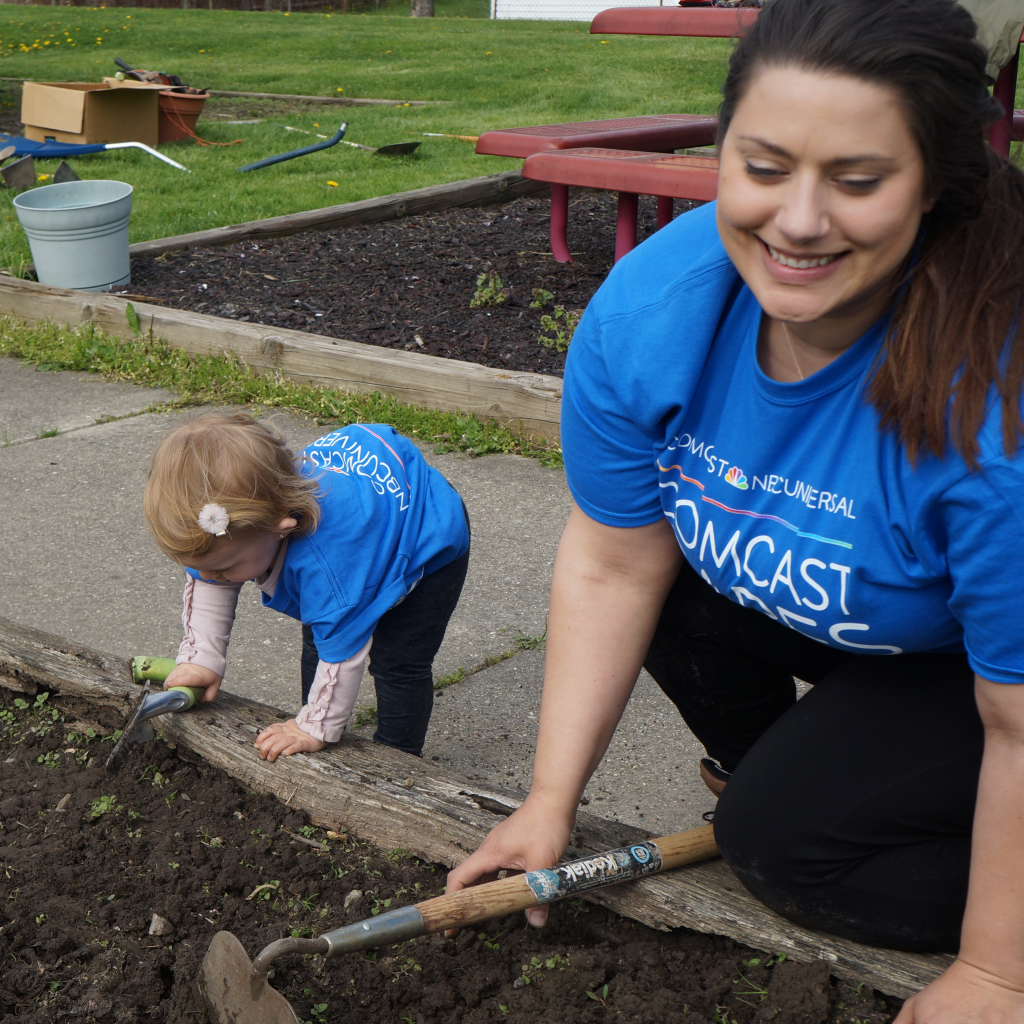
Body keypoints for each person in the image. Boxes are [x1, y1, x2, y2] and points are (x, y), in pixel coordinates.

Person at [448, 0, 1024, 1018]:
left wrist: (993, 972)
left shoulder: (994, 414)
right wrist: (548, 804)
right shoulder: (652, 313)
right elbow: (612, 562)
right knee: (674, 596)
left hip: (999, 677)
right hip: (893, 616)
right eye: (762, 168)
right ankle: (811, 784)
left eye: (856, 181)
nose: (797, 221)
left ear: (934, 184)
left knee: (787, 850)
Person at [143, 411, 469, 762]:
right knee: (317, 635)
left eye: (225, 568)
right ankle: (314, 714)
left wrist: (315, 729)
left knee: (398, 662)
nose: (215, 577)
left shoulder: (326, 566)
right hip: (365, 529)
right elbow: (209, 581)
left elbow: (342, 649)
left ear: (281, 525)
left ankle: (398, 757)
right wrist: (200, 659)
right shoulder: (241, 535)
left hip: (427, 533)